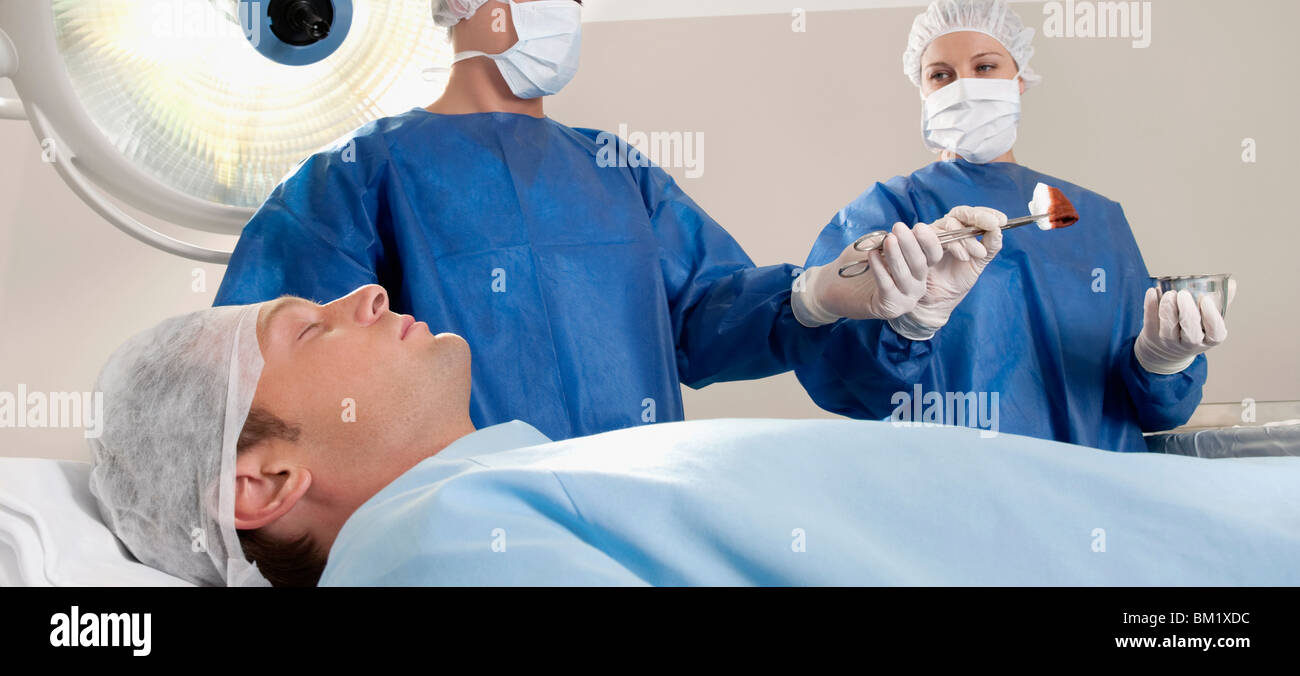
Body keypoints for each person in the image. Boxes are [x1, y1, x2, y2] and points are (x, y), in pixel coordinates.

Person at [213, 0, 957, 440]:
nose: (566, 13)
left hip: (633, 512)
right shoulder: (360, 176)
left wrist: (816, 295)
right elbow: (261, 369)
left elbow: (703, 317)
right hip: (463, 530)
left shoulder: (614, 170)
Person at [87, 287, 1298, 588]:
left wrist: (816, 301)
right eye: (304, 329)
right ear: (265, 476)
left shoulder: (510, 488)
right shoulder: (423, 544)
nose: (356, 294)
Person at [794, 0, 1230, 452]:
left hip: (1092, 494)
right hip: (948, 491)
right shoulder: (889, 213)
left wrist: (1162, 362)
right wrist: (910, 328)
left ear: (1018, 79)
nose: (963, 87)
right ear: (921, 90)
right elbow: (838, 380)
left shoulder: (1094, 218)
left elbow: (1155, 411)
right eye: (941, 75)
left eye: (985, 68)